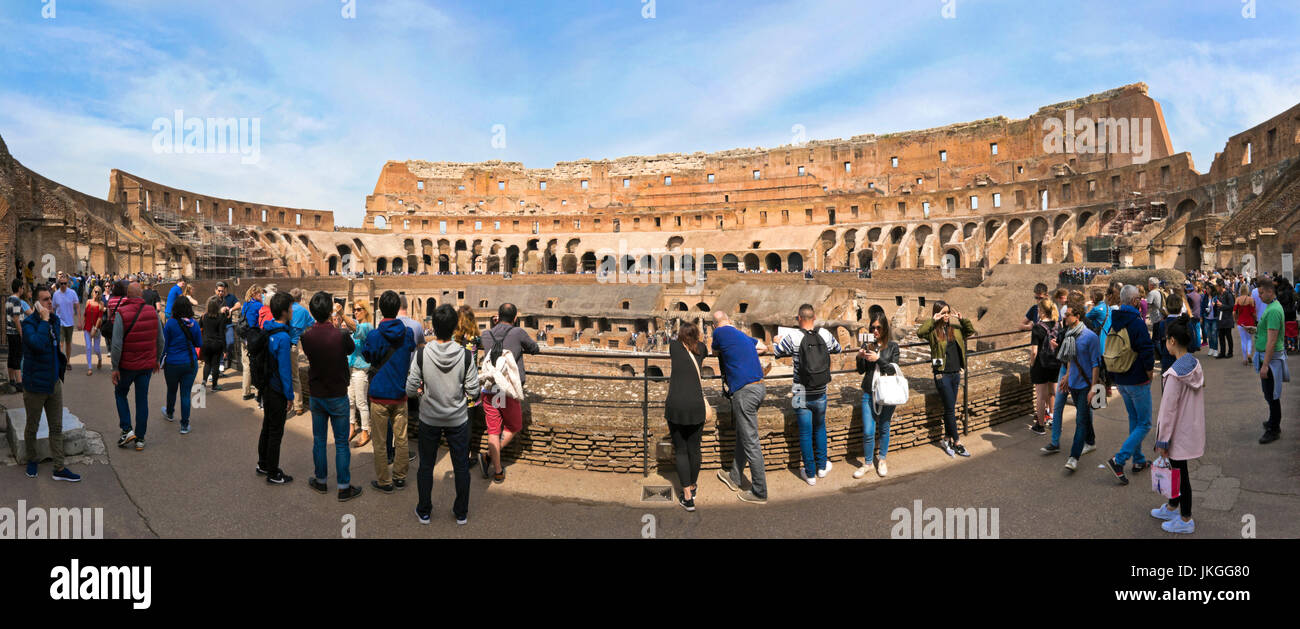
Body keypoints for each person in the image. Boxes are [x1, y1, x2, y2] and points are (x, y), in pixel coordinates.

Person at [407, 304, 480, 525]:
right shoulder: (465, 356)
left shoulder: (422, 354)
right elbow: (474, 391)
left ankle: (425, 510)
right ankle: (461, 512)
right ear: (454, 327)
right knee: (461, 467)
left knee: (426, 465)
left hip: (429, 417)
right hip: (457, 419)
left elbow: (410, 389)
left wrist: (423, 396)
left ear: (433, 327)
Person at [300, 291, 362, 502]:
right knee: (341, 443)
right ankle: (344, 487)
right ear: (329, 311)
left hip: (317, 395)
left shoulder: (306, 337)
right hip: (337, 394)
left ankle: (321, 481)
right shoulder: (341, 335)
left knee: (319, 440)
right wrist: (336, 326)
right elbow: (350, 348)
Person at [773, 303, 842, 485]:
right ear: (814, 318)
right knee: (820, 428)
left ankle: (810, 474)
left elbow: (776, 352)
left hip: (800, 391)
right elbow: (838, 349)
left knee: (804, 433)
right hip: (821, 391)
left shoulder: (793, 336)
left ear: (799, 318)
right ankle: (821, 468)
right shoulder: (825, 334)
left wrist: (776, 340)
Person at [1150, 314, 1205, 534]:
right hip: (1189, 429)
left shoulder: (1173, 374)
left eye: (1166, 339)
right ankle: (1173, 506)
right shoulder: (1194, 364)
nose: (1165, 343)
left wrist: (1162, 440)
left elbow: (1168, 411)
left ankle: (1185, 518)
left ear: (1172, 340)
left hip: (1175, 432)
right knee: (1178, 471)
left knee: (1181, 474)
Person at [21, 284, 81, 482]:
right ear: (37, 304)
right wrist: (44, 320)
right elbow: (37, 344)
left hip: (54, 383)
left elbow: (54, 346)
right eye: (45, 300)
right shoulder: (29, 324)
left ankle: (59, 467)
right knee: (32, 426)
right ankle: (32, 460)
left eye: (50, 298)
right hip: (35, 386)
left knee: (56, 427)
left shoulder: (54, 321)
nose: (50, 303)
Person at [711, 310, 768, 504]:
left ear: (715, 325)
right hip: (759, 388)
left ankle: (760, 492)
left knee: (751, 442)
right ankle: (734, 476)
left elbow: (714, 352)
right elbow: (763, 346)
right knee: (744, 435)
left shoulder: (719, 332)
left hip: (745, 392)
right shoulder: (741, 335)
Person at [478, 302, 540, 483]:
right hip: (507, 389)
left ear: (497, 316)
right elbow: (535, 348)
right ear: (515, 318)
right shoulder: (518, 333)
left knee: (493, 431)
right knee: (513, 426)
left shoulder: (486, 334)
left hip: (490, 388)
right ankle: (488, 456)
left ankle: (497, 471)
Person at [362, 290, 416, 493]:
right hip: (400, 395)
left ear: (380, 309)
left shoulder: (374, 335)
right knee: (401, 439)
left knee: (380, 440)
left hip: (379, 395)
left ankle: (384, 481)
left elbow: (368, 357)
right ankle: (400, 477)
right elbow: (410, 349)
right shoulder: (408, 333)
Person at [1103, 285, 1156, 484]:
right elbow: (1146, 349)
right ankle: (1119, 459)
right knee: (1145, 423)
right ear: (1134, 301)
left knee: (1134, 420)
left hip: (1120, 378)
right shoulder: (1136, 322)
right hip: (1137, 378)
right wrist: (1150, 372)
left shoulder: (1114, 320)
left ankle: (1139, 460)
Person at [916, 301, 976, 457]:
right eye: (943, 312)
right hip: (941, 374)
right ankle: (957, 442)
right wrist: (933, 320)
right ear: (937, 313)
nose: (946, 315)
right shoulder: (933, 332)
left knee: (950, 408)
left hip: (955, 373)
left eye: (947, 312)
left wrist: (962, 319)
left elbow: (970, 331)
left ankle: (946, 438)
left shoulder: (954, 330)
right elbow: (920, 332)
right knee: (950, 409)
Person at [110, 281, 164, 451]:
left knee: (120, 393)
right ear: (140, 295)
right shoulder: (152, 312)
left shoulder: (121, 313)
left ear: (127, 296)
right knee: (142, 400)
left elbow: (116, 344)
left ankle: (127, 429)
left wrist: (114, 367)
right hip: (146, 365)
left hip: (127, 366)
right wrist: (157, 359)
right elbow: (161, 340)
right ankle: (140, 439)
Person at [665, 322, 709, 510]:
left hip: (676, 405)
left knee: (681, 450)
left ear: (681, 335)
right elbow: (706, 347)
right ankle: (692, 485)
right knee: (695, 449)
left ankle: (687, 496)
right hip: (696, 405)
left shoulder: (674, 346)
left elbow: (674, 339)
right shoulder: (702, 349)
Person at [1057, 298, 1102, 472]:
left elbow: (1095, 364)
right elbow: (1070, 358)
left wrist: (1093, 388)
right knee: (1083, 416)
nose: (1065, 318)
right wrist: (1067, 375)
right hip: (1074, 382)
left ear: (1077, 316)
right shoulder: (1069, 334)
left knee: (1080, 420)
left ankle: (1073, 457)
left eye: (1067, 315)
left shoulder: (1090, 337)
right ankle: (1090, 442)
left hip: (1085, 385)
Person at [854, 312, 900, 478]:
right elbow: (861, 371)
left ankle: (882, 459)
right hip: (869, 392)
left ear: (884, 328)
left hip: (887, 393)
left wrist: (877, 359)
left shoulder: (893, 346)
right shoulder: (868, 345)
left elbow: (892, 369)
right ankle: (867, 464)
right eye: (872, 327)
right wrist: (860, 357)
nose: (875, 331)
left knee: (884, 428)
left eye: (878, 327)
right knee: (868, 431)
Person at [257, 292, 296, 484]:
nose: (292, 311)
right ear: (283, 311)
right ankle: (273, 472)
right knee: (275, 432)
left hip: (266, 385)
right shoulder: (282, 338)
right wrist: (289, 396)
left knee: (267, 427)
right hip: (277, 389)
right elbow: (285, 371)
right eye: (290, 308)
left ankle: (263, 463)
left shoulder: (268, 329)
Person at [160, 297, 202, 434]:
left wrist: (159, 360)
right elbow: (198, 343)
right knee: (185, 394)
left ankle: (170, 413)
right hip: (189, 362)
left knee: (171, 390)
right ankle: (184, 425)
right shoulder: (194, 324)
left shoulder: (170, 323)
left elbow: (164, 345)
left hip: (172, 362)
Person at [392, 295, 425, 464]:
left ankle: (393, 451)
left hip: (392, 375)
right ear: (407, 307)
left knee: (394, 416)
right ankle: (403, 452)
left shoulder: (388, 324)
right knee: (405, 417)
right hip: (411, 375)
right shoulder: (416, 326)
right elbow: (421, 350)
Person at [1254, 277, 1287, 444]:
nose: (1259, 296)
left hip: (1270, 360)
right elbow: (1268, 333)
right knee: (1269, 394)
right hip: (1268, 357)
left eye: (1261, 293)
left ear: (1269, 292)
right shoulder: (1271, 307)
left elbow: (1272, 340)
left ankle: (1274, 429)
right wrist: (1255, 330)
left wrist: (1265, 365)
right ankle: (1273, 422)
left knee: (1272, 395)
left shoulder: (1273, 310)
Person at [454, 305, 484, 467]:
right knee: (468, 425)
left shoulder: (453, 340)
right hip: (470, 387)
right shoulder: (475, 340)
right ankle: (464, 458)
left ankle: (457, 455)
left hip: (454, 388)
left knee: (456, 424)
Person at [342, 299, 373, 447]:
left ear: (366, 311)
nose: (355, 312)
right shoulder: (357, 326)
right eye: (354, 309)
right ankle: (351, 427)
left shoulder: (367, 327)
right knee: (350, 401)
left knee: (361, 402)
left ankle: (366, 431)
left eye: (359, 309)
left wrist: (342, 314)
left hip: (361, 370)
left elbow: (356, 329)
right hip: (351, 369)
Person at [1028, 297, 1061, 435]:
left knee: (1041, 396)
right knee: (1053, 392)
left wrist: (1031, 363)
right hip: (1055, 363)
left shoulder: (1037, 328)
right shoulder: (1057, 325)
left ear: (1041, 311)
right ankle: (1053, 420)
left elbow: (1034, 351)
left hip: (1041, 365)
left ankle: (1040, 426)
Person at [288, 288, 315, 416]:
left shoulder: (286, 308)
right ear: (300, 298)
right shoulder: (303, 311)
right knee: (295, 376)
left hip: (280, 344)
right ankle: (298, 406)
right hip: (293, 345)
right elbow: (312, 325)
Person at [240, 285, 264, 401]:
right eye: (260, 294)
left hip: (243, 337)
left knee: (246, 365)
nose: (262, 296)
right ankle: (258, 392)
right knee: (257, 364)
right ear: (254, 295)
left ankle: (246, 392)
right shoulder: (258, 305)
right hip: (253, 338)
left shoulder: (245, 304)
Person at [52, 273, 80, 370]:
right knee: (60, 343)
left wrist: (80, 321)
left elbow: (77, 307)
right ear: (59, 284)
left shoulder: (72, 293)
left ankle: (68, 361)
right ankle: (60, 361)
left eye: (65, 283)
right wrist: (51, 321)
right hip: (59, 322)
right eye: (61, 284)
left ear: (67, 283)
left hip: (70, 322)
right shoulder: (56, 294)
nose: (63, 285)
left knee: (68, 343)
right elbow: (53, 308)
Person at [7, 279, 31, 391]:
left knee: (11, 355)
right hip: (16, 332)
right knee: (17, 356)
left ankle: (11, 380)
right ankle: (19, 383)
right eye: (22, 288)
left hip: (9, 331)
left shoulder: (8, 299)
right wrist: (21, 333)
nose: (23, 290)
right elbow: (16, 318)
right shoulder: (17, 301)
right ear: (19, 288)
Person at [199, 297, 227, 391]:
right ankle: (214, 385)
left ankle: (203, 381)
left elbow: (200, 327)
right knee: (215, 365)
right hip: (216, 344)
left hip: (206, 343)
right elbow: (222, 333)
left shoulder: (204, 316)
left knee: (207, 364)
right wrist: (225, 349)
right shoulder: (220, 317)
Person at [81, 284, 105, 376]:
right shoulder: (88, 301)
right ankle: (90, 368)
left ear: (100, 294)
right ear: (92, 292)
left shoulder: (101, 304)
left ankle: (99, 359)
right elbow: (85, 314)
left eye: (98, 292)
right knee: (88, 347)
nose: (96, 293)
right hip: (87, 327)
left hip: (96, 328)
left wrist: (95, 329)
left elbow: (100, 318)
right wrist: (83, 322)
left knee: (97, 349)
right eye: (95, 291)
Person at [1213, 285, 1235, 359]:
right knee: (1221, 336)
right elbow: (1218, 306)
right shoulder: (1218, 295)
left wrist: (1222, 305)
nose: (1216, 288)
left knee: (1228, 336)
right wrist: (1215, 305)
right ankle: (1222, 352)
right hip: (1220, 318)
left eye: (1217, 287)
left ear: (1220, 286)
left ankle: (1230, 352)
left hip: (1227, 318)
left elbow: (1232, 307)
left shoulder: (1228, 295)